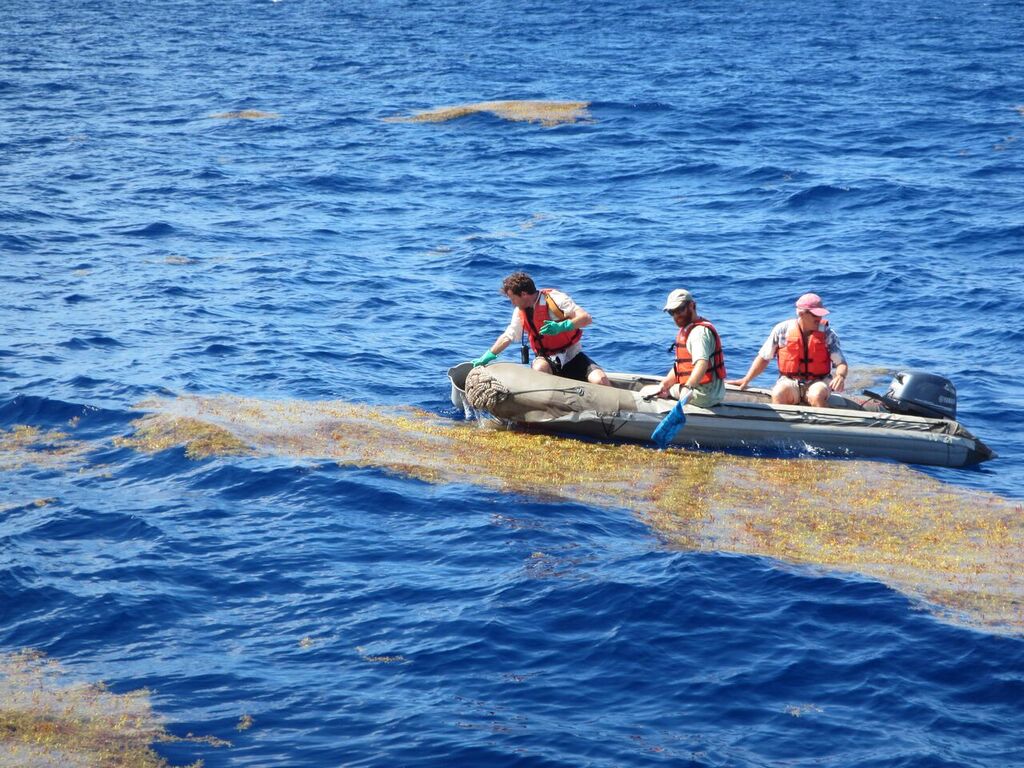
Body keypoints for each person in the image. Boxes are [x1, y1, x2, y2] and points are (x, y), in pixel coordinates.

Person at [471, 271, 611, 385]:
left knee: (600, 380)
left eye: (513, 298)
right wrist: (487, 357)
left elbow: (586, 318)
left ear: (524, 294)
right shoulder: (520, 312)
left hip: (573, 355)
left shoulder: (555, 298)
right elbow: (508, 336)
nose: (512, 303)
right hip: (546, 358)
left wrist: (562, 326)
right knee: (539, 368)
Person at [727, 292, 848, 407]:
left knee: (816, 396)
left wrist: (840, 376)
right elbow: (764, 358)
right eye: (815, 314)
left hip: (819, 381)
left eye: (820, 314)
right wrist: (746, 379)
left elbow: (841, 363)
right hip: (789, 381)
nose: (819, 318)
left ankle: (823, 424)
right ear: (801, 314)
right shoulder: (782, 330)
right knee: (778, 394)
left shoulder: (828, 334)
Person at [654, 289, 726, 408]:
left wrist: (688, 387)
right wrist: (665, 384)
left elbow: (702, 364)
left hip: (702, 395)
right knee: (664, 388)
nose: (676, 316)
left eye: (679, 310)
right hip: (711, 392)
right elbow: (681, 367)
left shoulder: (698, 334)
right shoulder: (690, 328)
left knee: (648, 391)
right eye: (672, 312)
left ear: (691, 305)